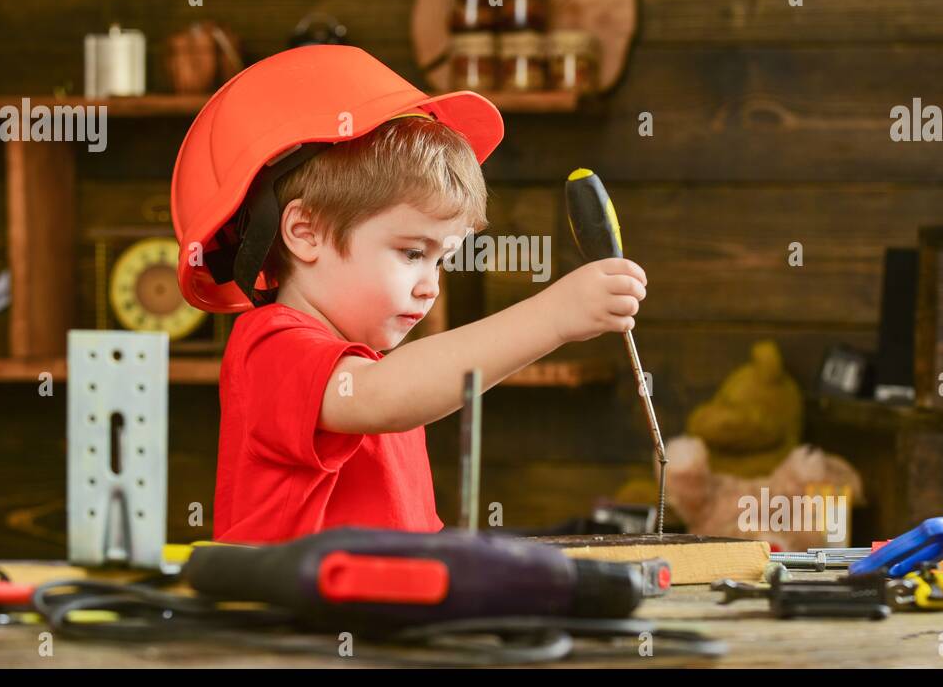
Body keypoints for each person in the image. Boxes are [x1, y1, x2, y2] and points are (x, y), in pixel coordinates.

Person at [171, 44, 646, 543]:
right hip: (290, 621)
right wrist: (553, 317)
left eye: (441, 259)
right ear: (305, 232)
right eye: (411, 253)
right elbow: (382, 395)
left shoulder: (372, 365)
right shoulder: (270, 347)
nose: (430, 285)